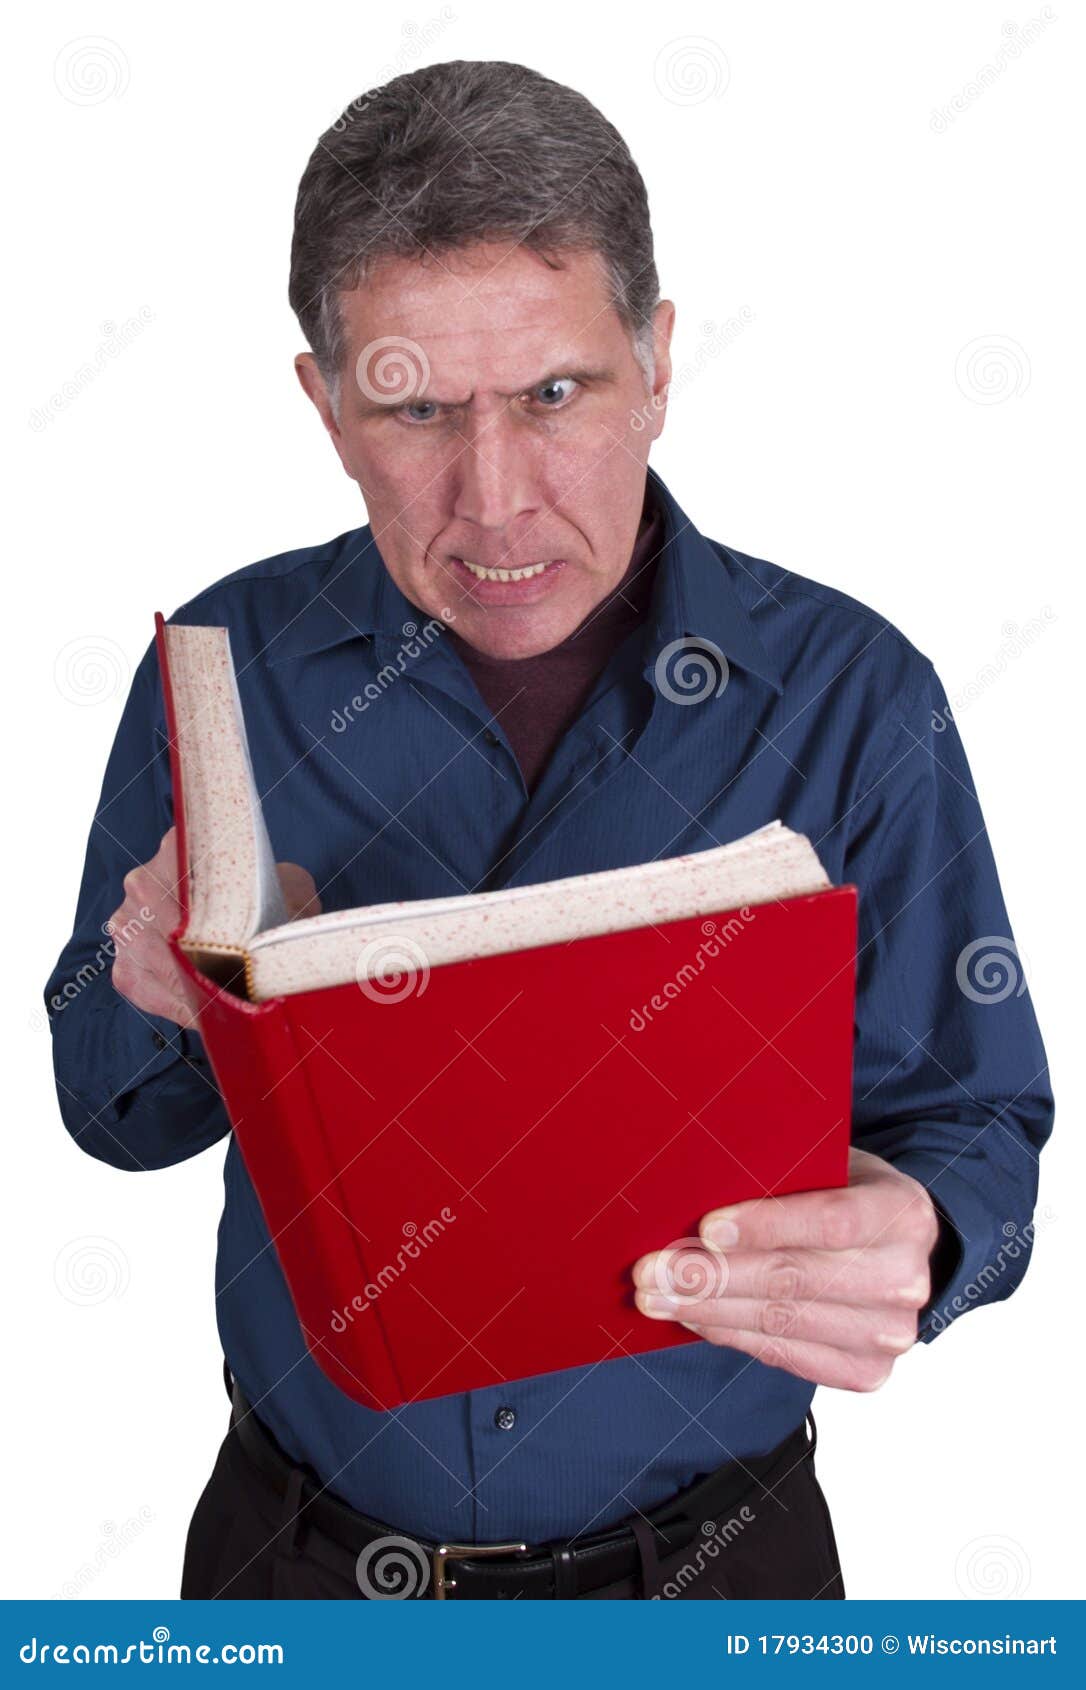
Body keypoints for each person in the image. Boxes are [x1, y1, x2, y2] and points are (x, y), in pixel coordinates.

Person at [46, 59, 1053, 1601]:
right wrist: (148, 988)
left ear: (655, 360)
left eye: (555, 395)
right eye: (414, 409)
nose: (496, 501)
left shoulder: (856, 692)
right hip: (293, 1566)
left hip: (718, 1573)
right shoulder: (221, 671)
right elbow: (108, 1113)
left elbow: (976, 1127)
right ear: (324, 406)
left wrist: (926, 1241)